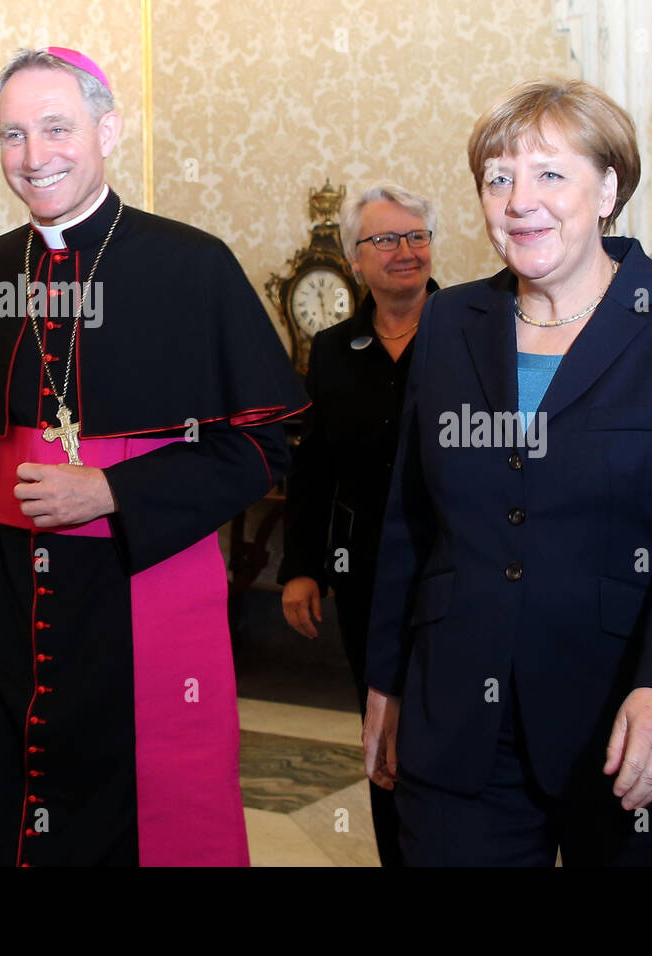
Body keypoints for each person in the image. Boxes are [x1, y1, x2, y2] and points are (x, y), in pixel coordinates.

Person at [0, 47, 306, 866]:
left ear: (106, 130)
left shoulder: (191, 266)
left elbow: (260, 447)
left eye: (56, 128)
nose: (35, 157)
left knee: (124, 822)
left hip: (136, 595)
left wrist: (111, 490)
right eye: (12, 134)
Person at [361, 79, 652, 866]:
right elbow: (410, 515)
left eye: (550, 173)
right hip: (462, 728)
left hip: (630, 718)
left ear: (609, 188)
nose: (520, 201)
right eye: (498, 178)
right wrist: (386, 680)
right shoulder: (451, 320)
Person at [278, 183, 440, 867]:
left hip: (461, 570)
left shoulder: (474, 325)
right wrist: (302, 567)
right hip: (366, 574)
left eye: (417, 237)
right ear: (354, 257)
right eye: (386, 240)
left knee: (455, 725)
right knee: (383, 725)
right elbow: (314, 466)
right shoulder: (335, 348)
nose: (405, 253)